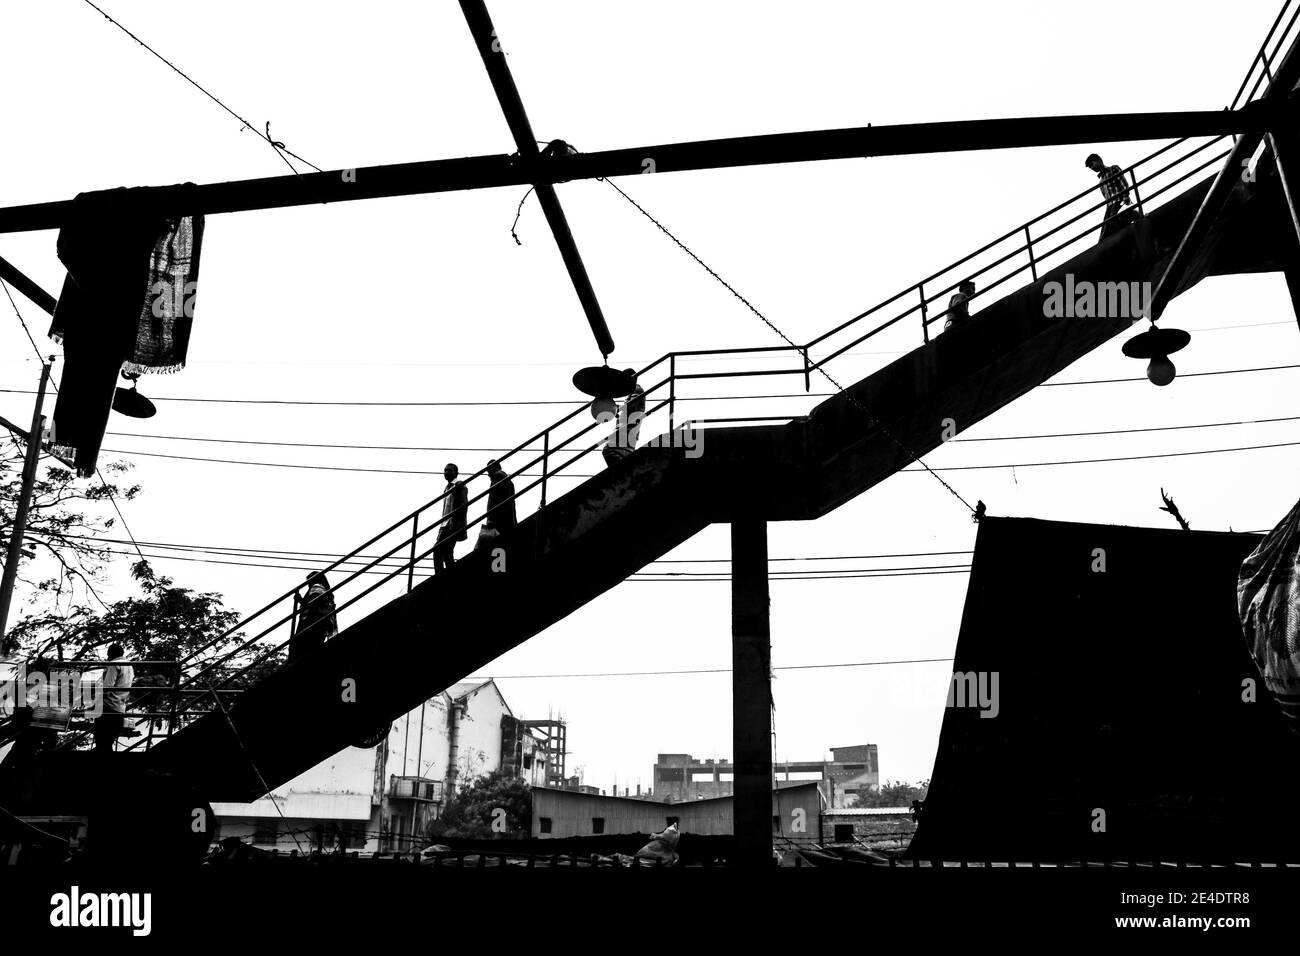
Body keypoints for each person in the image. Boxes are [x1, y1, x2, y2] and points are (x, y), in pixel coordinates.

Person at [93, 643, 134, 753]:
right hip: (120, 708)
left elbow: (107, 687)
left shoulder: (114, 664)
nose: (107, 657)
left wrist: (94, 701)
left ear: (112, 654)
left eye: (108, 654)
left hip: (108, 707)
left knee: (101, 742)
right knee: (108, 742)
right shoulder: (129, 666)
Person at [1086, 153, 1135, 240]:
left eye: (1092, 164)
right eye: (1090, 167)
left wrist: (1126, 200)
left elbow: (1123, 184)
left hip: (1119, 202)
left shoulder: (1113, 169)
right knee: (1104, 233)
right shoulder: (1101, 182)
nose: (1092, 168)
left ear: (1099, 160)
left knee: (1112, 229)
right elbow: (1106, 198)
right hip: (1110, 208)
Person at [602, 373, 647, 467]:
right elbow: (629, 409)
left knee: (609, 450)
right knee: (611, 452)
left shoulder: (636, 389)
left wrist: (613, 407)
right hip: (626, 432)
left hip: (626, 432)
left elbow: (631, 405)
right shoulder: (633, 391)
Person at [291, 572, 337, 661]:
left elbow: (314, 603)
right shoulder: (323, 588)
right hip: (319, 623)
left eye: (309, 581)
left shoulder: (317, 587)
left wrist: (300, 600)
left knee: (303, 648)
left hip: (312, 623)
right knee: (312, 649)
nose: (308, 583)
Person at [433, 463, 468, 574]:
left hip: (452, 524)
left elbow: (463, 505)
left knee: (438, 550)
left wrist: (456, 523)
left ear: (456, 472)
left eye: (449, 470)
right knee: (447, 551)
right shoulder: (447, 488)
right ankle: (449, 575)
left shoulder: (459, 485)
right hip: (445, 524)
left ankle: (440, 576)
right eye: (445, 470)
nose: (446, 472)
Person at [485, 459, 516, 533]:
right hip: (507, 516)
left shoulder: (498, 476)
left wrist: (490, 518)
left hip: (499, 518)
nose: (488, 474)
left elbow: (493, 499)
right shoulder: (507, 478)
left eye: (489, 469)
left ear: (495, 467)